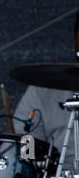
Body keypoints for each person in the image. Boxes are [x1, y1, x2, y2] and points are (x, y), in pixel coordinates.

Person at [12, 10, 79, 150]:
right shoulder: (43, 88)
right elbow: (24, 141)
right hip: (59, 170)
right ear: (75, 40)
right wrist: (28, 159)